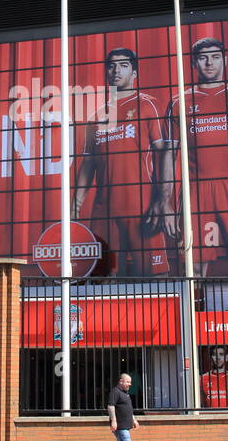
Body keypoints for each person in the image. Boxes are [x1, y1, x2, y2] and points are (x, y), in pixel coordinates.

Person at [154, 36, 228, 275]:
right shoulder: (179, 102)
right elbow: (169, 156)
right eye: (203, 58)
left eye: (215, 57)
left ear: (225, 60)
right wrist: (166, 203)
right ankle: (195, 313)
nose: (209, 63)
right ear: (194, 64)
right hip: (196, 191)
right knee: (194, 266)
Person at [71, 48, 170, 276]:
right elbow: (88, 165)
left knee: (154, 276)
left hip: (141, 206)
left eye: (123, 65)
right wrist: (76, 205)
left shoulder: (148, 105)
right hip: (104, 209)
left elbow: (164, 154)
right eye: (112, 65)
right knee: (103, 275)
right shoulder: (97, 115)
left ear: (134, 72)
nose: (116, 70)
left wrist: (162, 200)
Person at [104, 373, 139, 441]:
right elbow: (110, 406)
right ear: (121, 381)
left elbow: (128, 408)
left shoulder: (125, 393)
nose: (130, 384)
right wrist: (114, 421)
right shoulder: (115, 391)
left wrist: (134, 419)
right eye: (128, 382)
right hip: (119, 425)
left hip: (126, 424)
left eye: (130, 382)